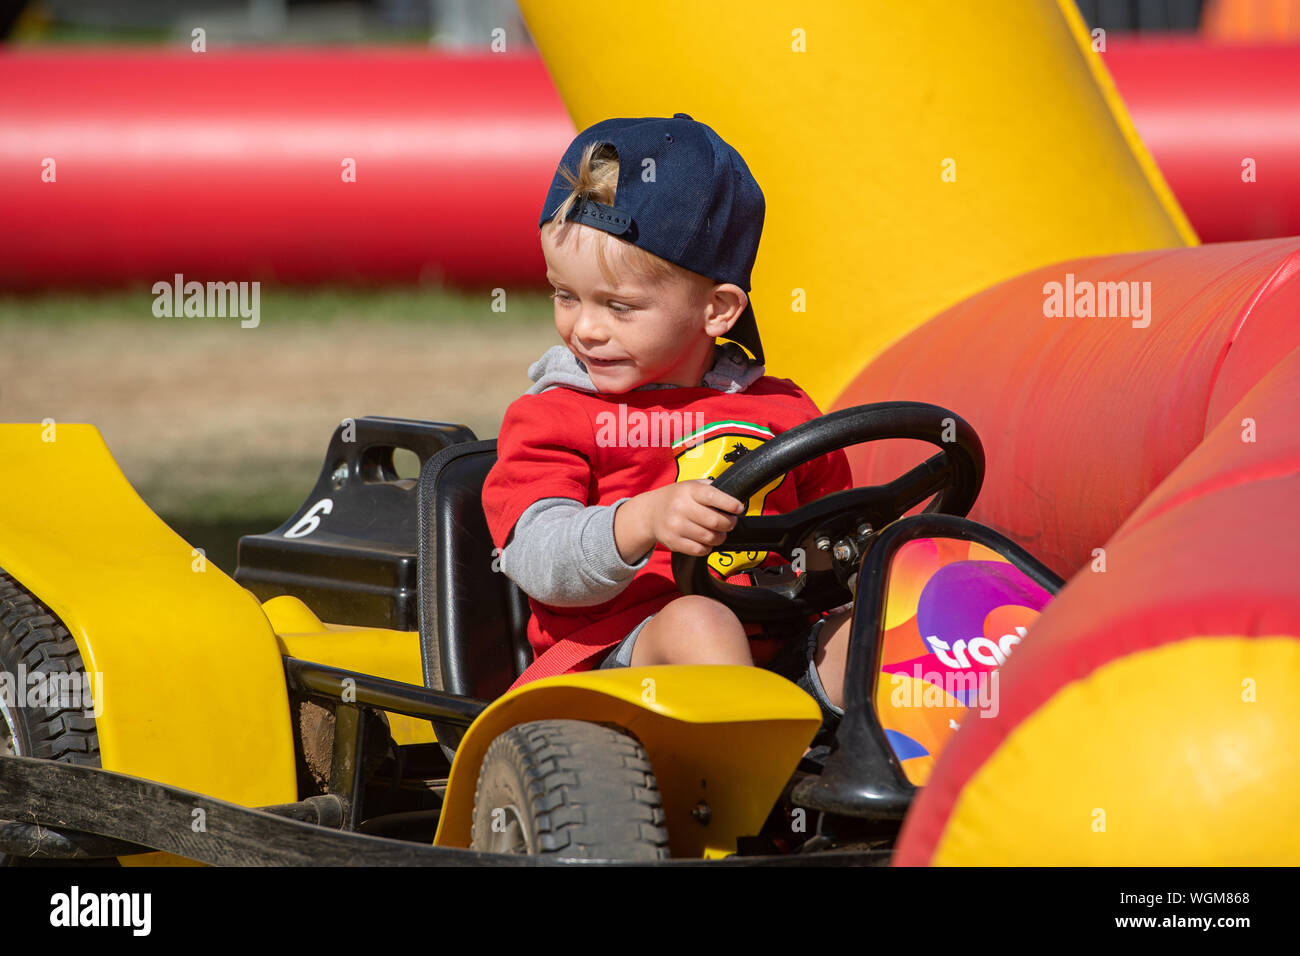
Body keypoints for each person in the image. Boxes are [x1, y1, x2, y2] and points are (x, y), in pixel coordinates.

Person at [481, 113, 854, 735]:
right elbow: (539, 559)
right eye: (565, 296)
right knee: (700, 623)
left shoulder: (785, 413)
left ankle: (897, 794)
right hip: (616, 664)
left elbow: (840, 537)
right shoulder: (554, 417)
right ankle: (738, 799)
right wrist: (642, 521)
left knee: (875, 623)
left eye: (619, 306)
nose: (586, 328)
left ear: (718, 310)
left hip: (782, 643)